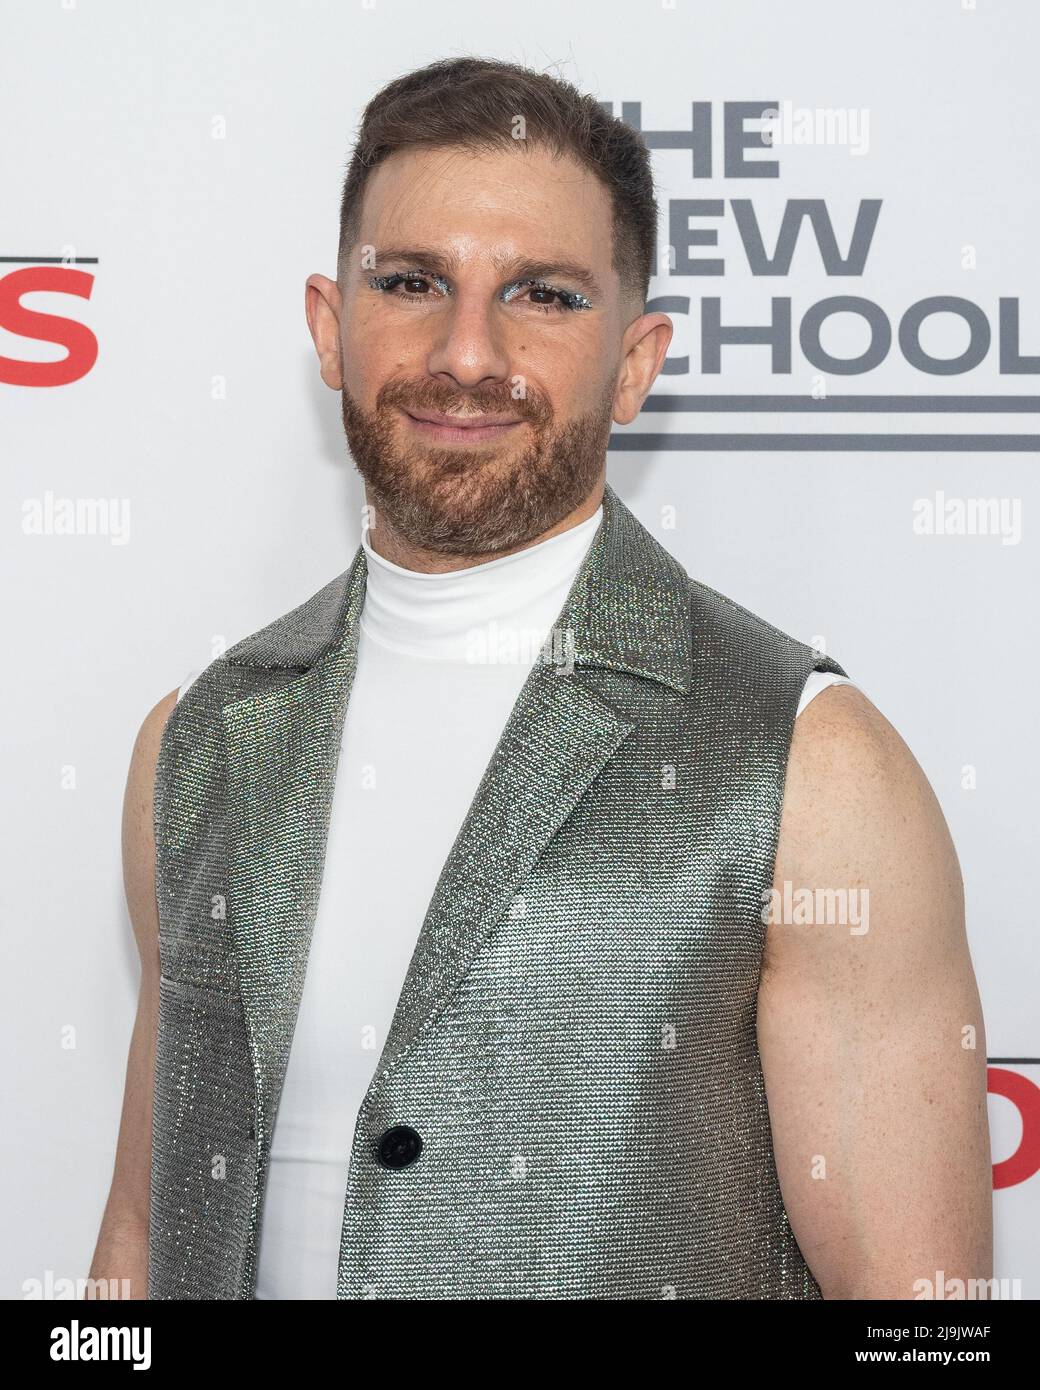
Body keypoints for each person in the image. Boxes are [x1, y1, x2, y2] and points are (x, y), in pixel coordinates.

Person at [90, 56, 992, 1300]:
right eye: (409, 283)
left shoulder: (809, 766)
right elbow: (140, 1247)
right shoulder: (193, 745)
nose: (468, 354)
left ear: (634, 361)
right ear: (326, 327)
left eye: (543, 295)